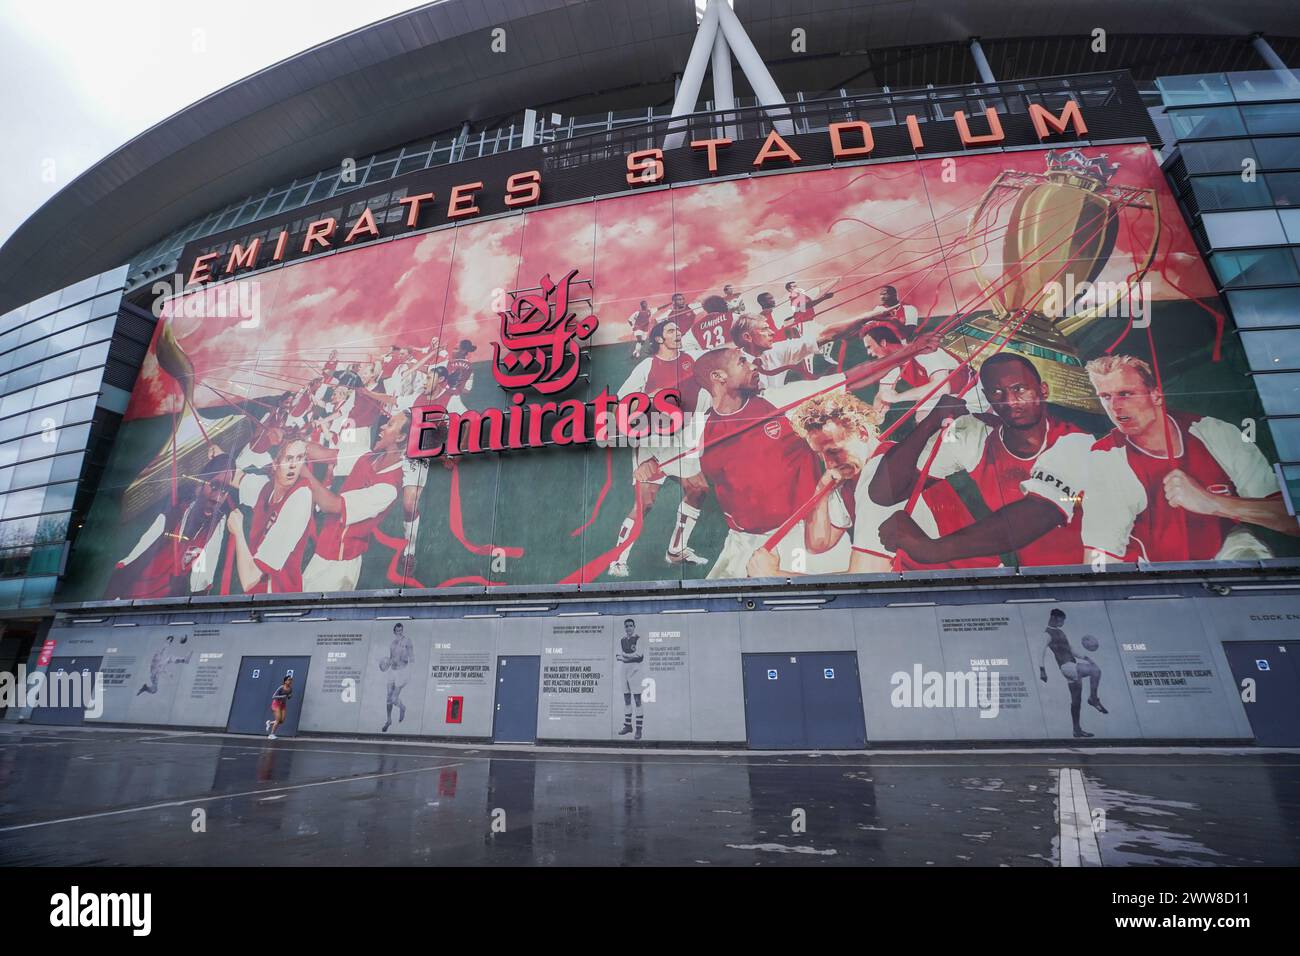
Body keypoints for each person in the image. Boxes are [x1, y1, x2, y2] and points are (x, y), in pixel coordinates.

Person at [882, 354, 1298, 566]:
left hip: (1228, 580)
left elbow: (1290, 521)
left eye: (1126, 394)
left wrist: (1216, 504)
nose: (1117, 407)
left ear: (1156, 394)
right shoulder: (1108, 457)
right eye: (1106, 397)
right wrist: (931, 420)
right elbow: (885, 493)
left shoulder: (1213, 434)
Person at [691, 339, 936, 579]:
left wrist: (910, 350)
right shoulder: (699, 430)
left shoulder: (780, 400)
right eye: (742, 362)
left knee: (833, 597)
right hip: (744, 542)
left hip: (802, 531)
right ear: (718, 377)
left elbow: (851, 378)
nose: (753, 365)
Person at [872, 353, 1086, 569]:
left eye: (1019, 389)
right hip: (1029, 577)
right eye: (997, 392)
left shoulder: (1075, 442)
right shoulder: (977, 433)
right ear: (986, 396)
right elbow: (884, 493)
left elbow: (1036, 514)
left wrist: (931, 549)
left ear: (1043, 390)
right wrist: (931, 422)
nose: (1010, 401)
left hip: (1089, 575)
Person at [608, 318, 711, 576]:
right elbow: (622, 401)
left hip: (682, 437)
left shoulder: (691, 359)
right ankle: (617, 561)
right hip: (654, 440)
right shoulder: (648, 366)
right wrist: (650, 404)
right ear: (658, 339)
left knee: (698, 489)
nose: (678, 334)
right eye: (671, 331)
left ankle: (676, 550)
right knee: (646, 502)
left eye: (678, 330)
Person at [301, 410, 409, 592]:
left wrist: (300, 469)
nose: (382, 426)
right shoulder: (368, 456)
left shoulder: (388, 488)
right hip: (324, 552)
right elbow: (325, 454)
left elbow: (332, 505)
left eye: (390, 424)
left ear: (401, 437)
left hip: (339, 565)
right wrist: (295, 444)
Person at [108, 451, 237, 599]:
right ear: (199, 485)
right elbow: (133, 559)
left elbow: (202, 579)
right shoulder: (171, 515)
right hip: (135, 599)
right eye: (214, 486)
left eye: (225, 490)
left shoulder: (217, 525)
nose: (218, 498)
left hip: (169, 604)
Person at [226, 438, 313, 594]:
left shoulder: (300, 497)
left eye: (299, 458)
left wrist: (238, 532)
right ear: (275, 464)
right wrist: (220, 456)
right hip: (256, 596)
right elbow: (235, 476)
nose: (294, 465)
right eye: (288, 458)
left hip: (277, 597)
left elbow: (249, 580)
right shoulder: (267, 488)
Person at [865, 323, 975, 421]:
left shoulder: (922, 350)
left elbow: (942, 387)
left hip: (969, 391)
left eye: (869, 347)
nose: (869, 352)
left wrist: (898, 397)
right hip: (938, 393)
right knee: (921, 419)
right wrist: (876, 416)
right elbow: (883, 393)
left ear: (883, 343)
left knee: (930, 421)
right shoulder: (891, 360)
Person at [1039, 608, 1107, 738]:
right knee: (1095, 670)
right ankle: (1093, 698)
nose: (1063, 623)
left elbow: (1071, 650)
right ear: (1054, 618)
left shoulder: (1060, 632)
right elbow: (1040, 652)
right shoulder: (1047, 634)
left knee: (1076, 701)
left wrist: (1086, 657)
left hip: (1072, 667)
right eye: (1061, 620)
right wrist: (1042, 670)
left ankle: (1077, 730)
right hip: (1067, 666)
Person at [379, 622, 415, 732]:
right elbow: (391, 658)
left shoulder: (407, 641)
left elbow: (412, 657)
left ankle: (402, 707)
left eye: (401, 630)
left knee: (394, 699)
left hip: (402, 672)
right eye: (397, 631)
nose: (399, 632)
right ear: (394, 632)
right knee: (388, 697)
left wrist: (411, 671)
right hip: (392, 671)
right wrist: (385, 664)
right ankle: (388, 720)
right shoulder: (392, 643)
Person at [617, 618, 646, 740]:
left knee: (637, 699)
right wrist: (626, 657)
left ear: (634, 627)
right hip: (624, 669)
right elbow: (618, 656)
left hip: (635, 670)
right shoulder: (622, 640)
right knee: (626, 698)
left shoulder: (639, 639)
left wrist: (625, 656)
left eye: (630, 625)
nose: (628, 628)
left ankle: (639, 729)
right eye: (626, 626)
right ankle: (628, 726)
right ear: (625, 628)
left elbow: (639, 656)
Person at [266, 675, 293, 739]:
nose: (290, 681)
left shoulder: (290, 689)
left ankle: (269, 723)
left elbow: (288, 697)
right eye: (289, 679)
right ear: (285, 681)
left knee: (281, 721)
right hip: (276, 704)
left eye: (291, 680)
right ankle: (271, 735)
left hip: (283, 705)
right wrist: (282, 696)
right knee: (278, 720)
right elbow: (273, 696)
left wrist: (290, 696)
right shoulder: (281, 687)